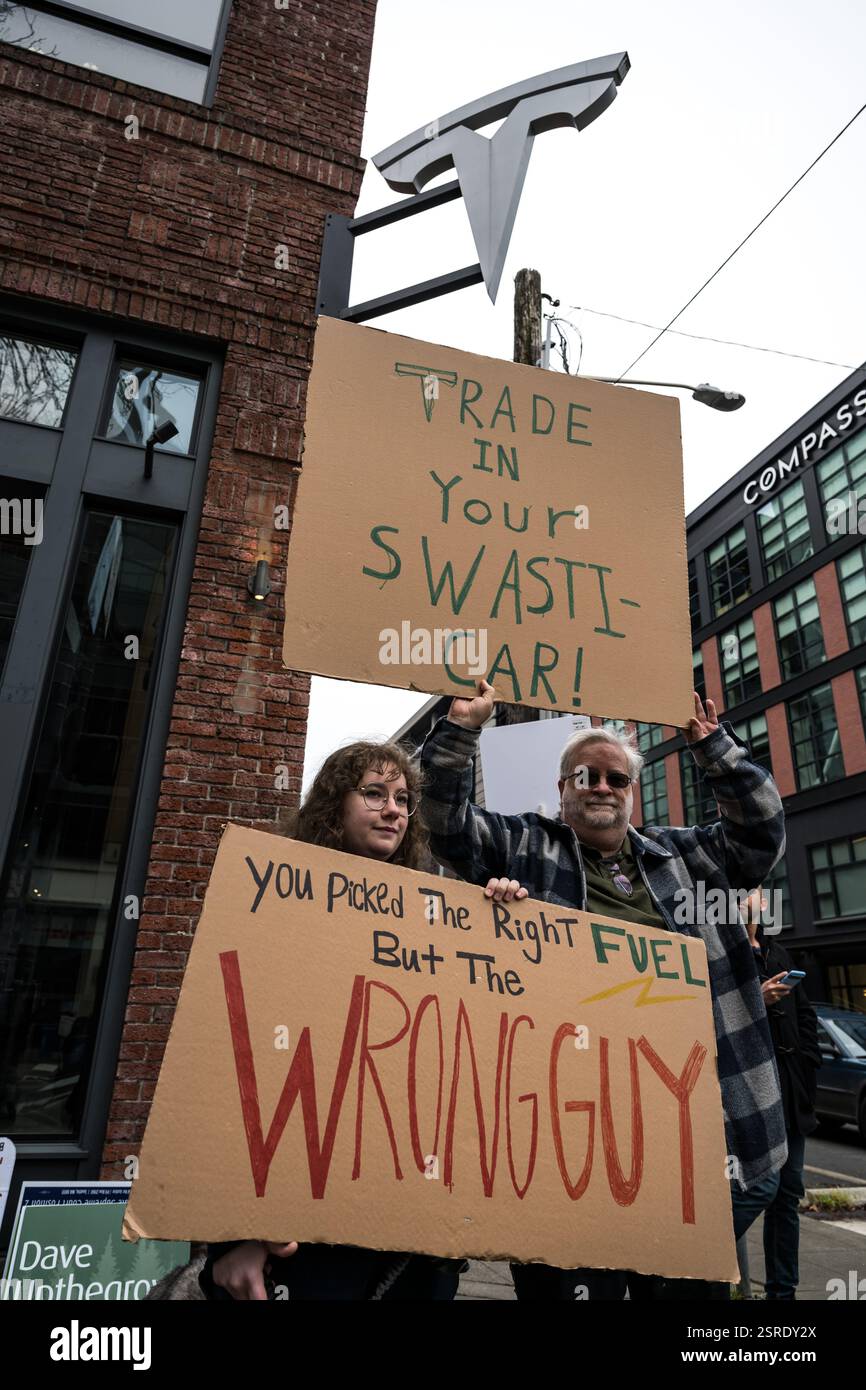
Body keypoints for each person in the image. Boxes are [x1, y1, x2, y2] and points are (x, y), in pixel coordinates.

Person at [418, 682, 788, 1301]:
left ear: (631, 795)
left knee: (722, 1225)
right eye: (584, 776)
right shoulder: (524, 846)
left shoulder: (687, 858)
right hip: (569, 1126)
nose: (601, 787)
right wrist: (461, 730)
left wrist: (711, 746)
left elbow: (763, 833)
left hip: (694, 1124)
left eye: (617, 780)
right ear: (563, 787)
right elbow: (442, 821)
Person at [197, 738, 525, 1301]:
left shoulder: (441, 911)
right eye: (373, 794)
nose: (393, 809)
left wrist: (496, 916)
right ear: (334, 805)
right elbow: (235, 1064)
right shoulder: (270, 896)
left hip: (414, 1219)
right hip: (304, 1218)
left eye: (402, 798)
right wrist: (236, 1238)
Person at [730, 888, 821, 1300]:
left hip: (790, 1094)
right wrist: (758, 999)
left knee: (787, 1196)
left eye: (763, 892)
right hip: (749, 1096)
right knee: (756, 1190)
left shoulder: (778, 951)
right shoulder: (725, 952)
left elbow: (806, 1019)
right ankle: (698, 1261)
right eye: (751, 890)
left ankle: (782, 1292)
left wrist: (807, 1070)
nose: (760, 896)